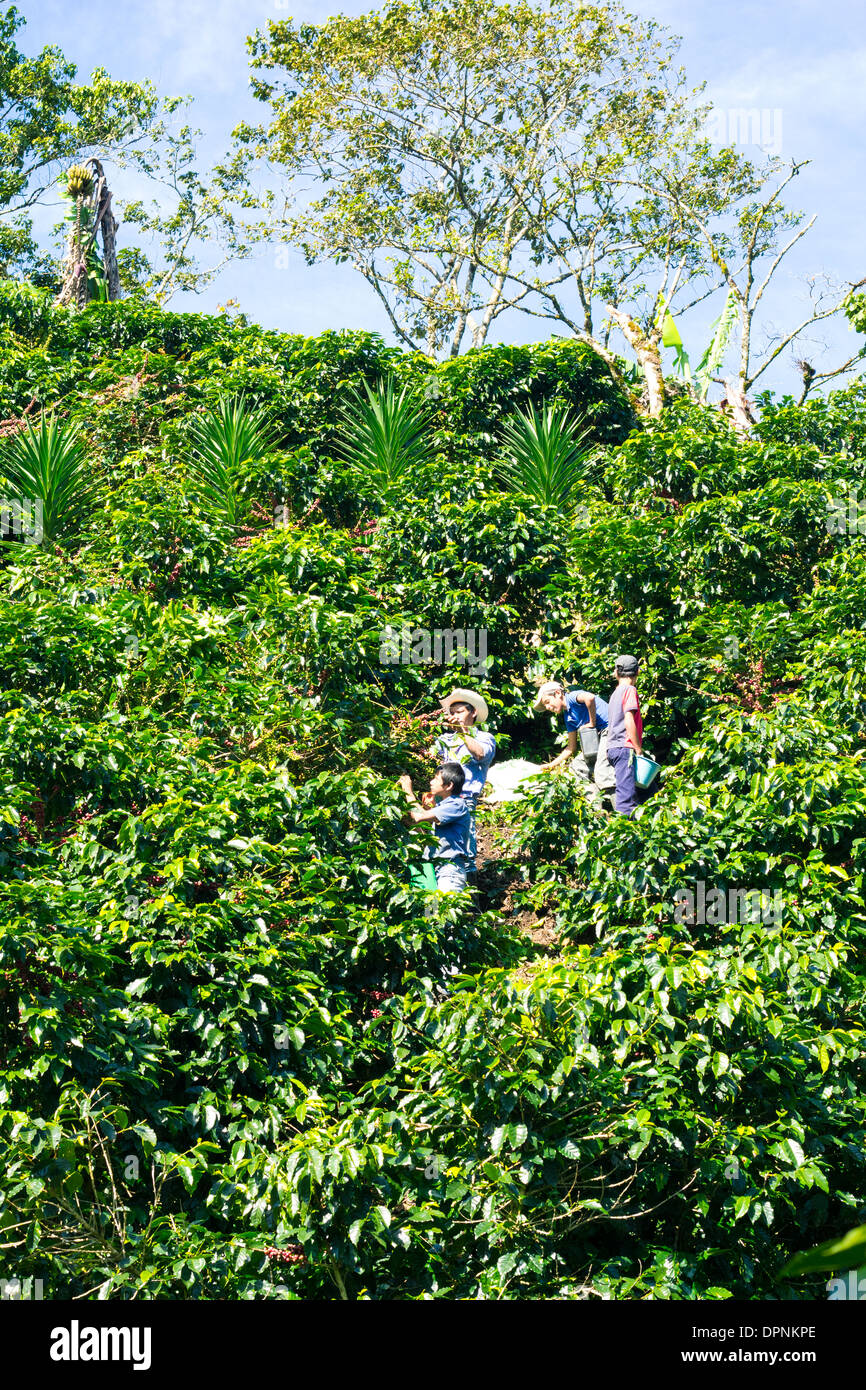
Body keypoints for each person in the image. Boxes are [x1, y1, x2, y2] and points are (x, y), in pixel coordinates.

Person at [431, 688, 496, 867]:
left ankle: (470, 888)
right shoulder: (444, 739)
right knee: (440, 844)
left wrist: (462, 732)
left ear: (473, 712)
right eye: (452, 713)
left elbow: (480, 754)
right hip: (441, 800)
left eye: (460, 712)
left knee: (466, 848)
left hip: (464, 799)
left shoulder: (484, 737)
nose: (455, 716)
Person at [534, 680, 616, 808]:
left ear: (557, 693)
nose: (548, 708)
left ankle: (621, 816)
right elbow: (571, 748)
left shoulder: (572, 697)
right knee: (576, 768)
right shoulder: (568, 718)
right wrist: (551, 765)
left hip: (611, 729)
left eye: (547, 702)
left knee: (602, 773)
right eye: (546, 707)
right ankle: (598, 811)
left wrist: (592, 723)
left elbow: (590, 697)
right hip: (599, 738)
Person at [398, 763, 472, 892]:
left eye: (436, 779)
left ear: (449, 785)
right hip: (432, 868)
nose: (431, 782)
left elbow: (418, 816)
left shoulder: (456, 804)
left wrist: (407, 791)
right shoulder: (442, 808)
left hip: (449, 871)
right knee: (430, 911)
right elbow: (426, 837)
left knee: (445, 910)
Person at [604, 654, 643, 817]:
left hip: (613, 748)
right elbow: (628, 720)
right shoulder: (629, 690)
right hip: (624, 748)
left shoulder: (615, 693)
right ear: (638, 672)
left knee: (643, 792)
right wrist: (638, 748)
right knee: (626, 800)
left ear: (616, 673)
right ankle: (623, 836)